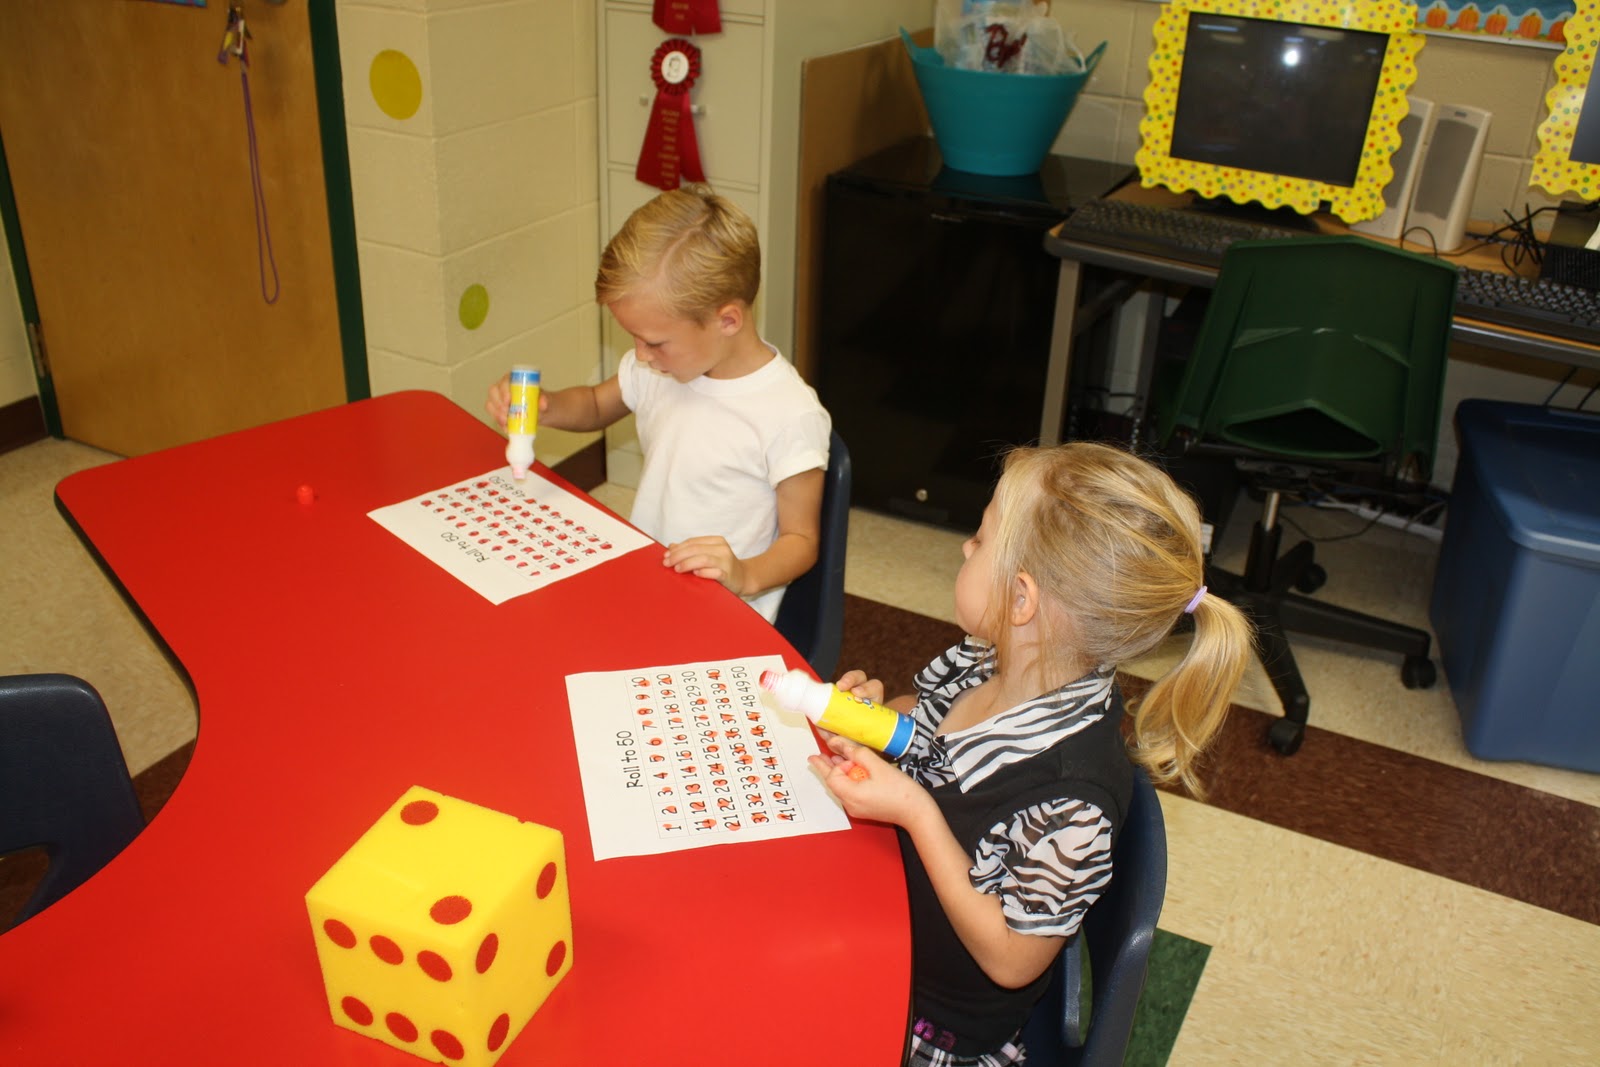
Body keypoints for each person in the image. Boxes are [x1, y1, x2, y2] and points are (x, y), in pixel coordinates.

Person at [808, 442, 1252, 1067]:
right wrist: (880, 720)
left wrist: (915, 810)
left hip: (931, 1027)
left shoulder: (1073, 797)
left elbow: (1013, 959)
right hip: (884, 915)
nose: (966, 547)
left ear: (1022, 600)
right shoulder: (992, 659)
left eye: (981, 540)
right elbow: (926, 716)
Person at [487, 185, 830, 621]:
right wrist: (547, 406)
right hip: (650, 582)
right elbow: (594, 405)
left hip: (724, 612)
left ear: (727, 320)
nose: (641, 355)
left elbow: (801, 540)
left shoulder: (789, 414)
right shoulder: (658, 370)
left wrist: (744, 574)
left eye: (655, 342)